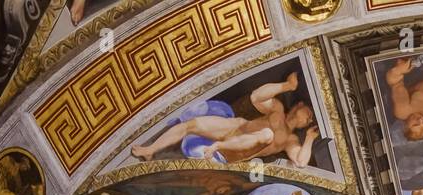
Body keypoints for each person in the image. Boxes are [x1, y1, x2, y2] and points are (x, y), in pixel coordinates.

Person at [131, 73, 319, 165]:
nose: (309, 120)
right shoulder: (277, 108)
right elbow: (256, 97)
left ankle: (217, 147)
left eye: (310, 121)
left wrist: (309, 139)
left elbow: (301, 162)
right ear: (300, 105)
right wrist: (286, 86)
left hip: (237, 152)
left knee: (267, 134)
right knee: (191, 125)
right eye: (309, 114)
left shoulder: (290, 140)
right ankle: (150, 149)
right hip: (233, 128)